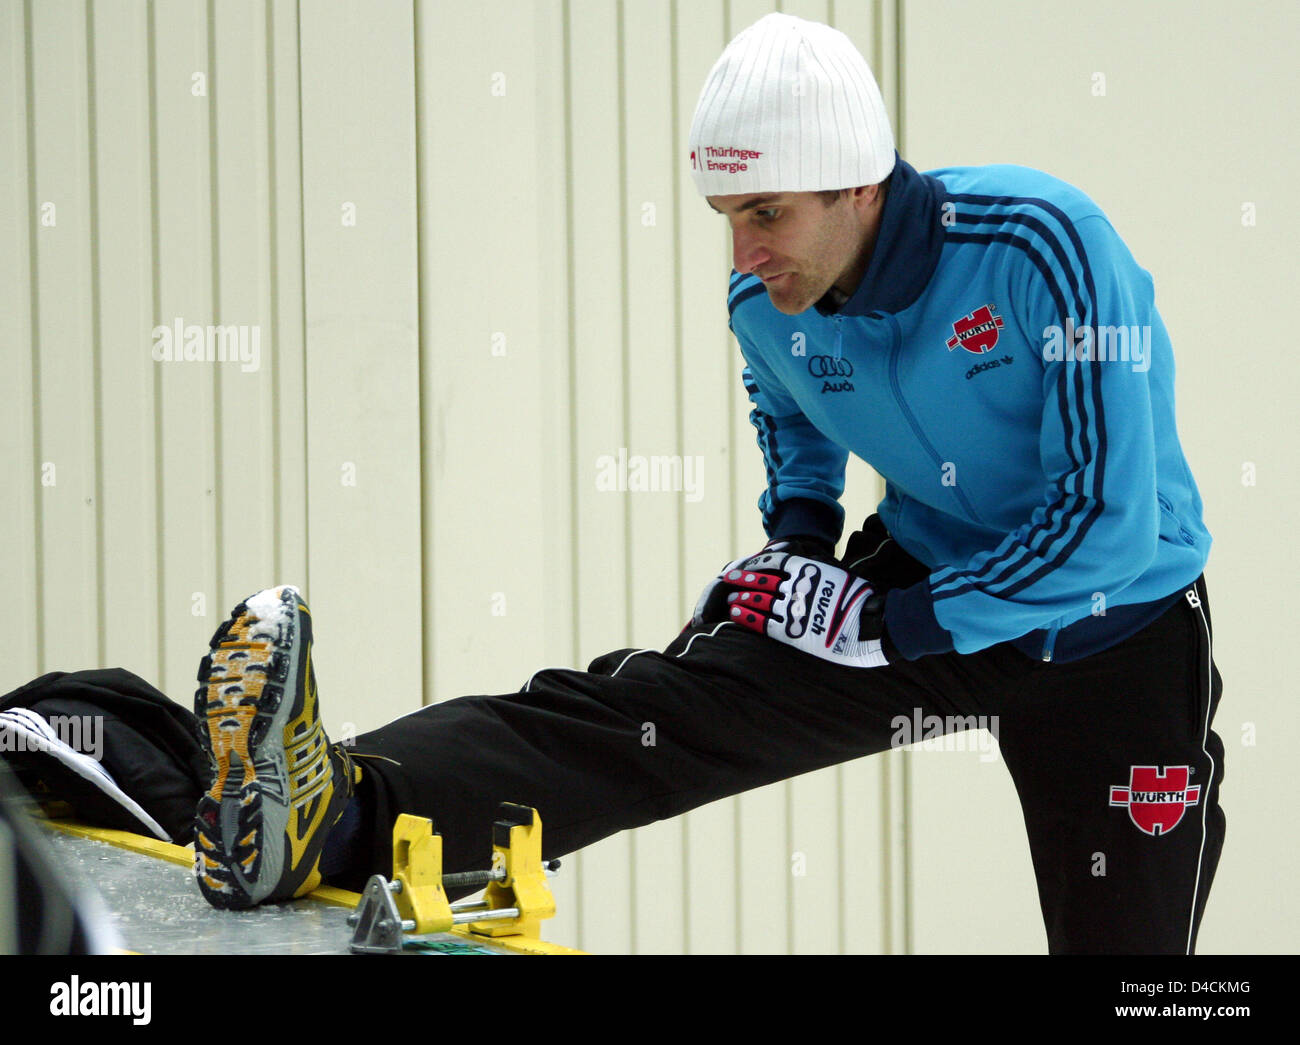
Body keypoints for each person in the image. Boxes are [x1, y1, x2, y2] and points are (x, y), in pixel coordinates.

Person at [192, 13, 1224, 954]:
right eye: (727, 214)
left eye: (765, 212)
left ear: (857, 184)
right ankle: (337, 806)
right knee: (656, 713)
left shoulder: (1044, 247)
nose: (742, 251)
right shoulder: (767, 295)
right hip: (924, 578)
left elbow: (1107, 520)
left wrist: (889, 624)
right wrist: (801, 547)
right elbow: (792, 409)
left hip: (1112, 629)